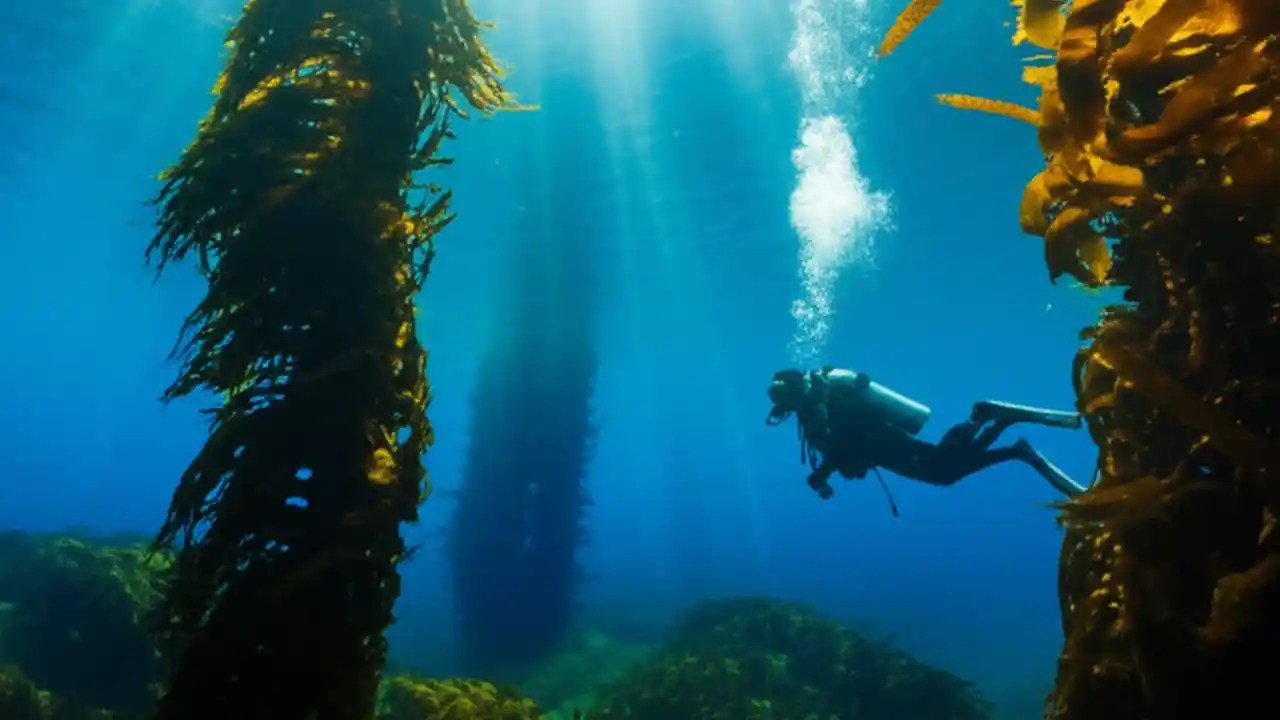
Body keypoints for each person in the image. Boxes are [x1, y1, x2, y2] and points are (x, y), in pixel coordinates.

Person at [765, 367, 1088, 501]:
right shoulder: (818, 406)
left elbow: (845, 444)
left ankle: (995, 426)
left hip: (887, 446)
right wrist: (824, 475)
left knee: (942, 469)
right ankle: (1007, 437)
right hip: (886, 445)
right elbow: (844, 446)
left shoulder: (821, 408)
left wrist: (822, 475)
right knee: (945, 466)